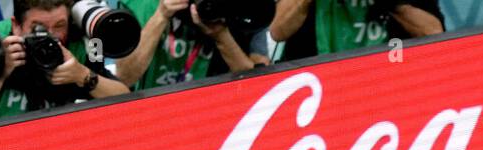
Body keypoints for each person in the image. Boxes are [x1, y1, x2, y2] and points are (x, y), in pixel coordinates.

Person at [0, 0, 128, 121]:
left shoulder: (85, 43)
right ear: (16, 26)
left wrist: (83, 75)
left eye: (60, 26)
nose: (50, 36)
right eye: (38, 28)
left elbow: (126, 100)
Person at [115, 0, 276, 91]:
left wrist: (221, 36)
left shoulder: (240, 10)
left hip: (204, 119)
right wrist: (161, 15)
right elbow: (125, 77)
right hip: (146, 112)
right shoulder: (139, 4)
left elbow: (256, 88)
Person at [269, 0, 443, 60]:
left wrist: (393, 4)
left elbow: (434, 33)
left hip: (388, 82)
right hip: (318, 84)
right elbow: (278, 31)